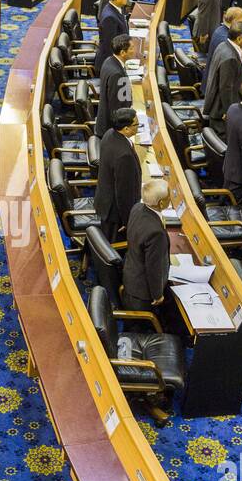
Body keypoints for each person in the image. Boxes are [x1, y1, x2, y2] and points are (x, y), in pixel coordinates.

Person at [121, 179, 171, 310]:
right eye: (169, 195)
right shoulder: (156, 233)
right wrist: (158, 295)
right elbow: (153, 267)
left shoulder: (137, 208)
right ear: (161, 203)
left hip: (131, 273)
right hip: (143, 292)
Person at [96, 108, 142, 241]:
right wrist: (128, 220)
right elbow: (123, 192)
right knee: (115, 245)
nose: (138, 127)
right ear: (126, 129)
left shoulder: (109, 134)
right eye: (136, 125)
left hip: (104, 198)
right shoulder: (124, 156)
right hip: (116, 212)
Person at [203, 20, 242, 135]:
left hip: (218, 104)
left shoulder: (224, 45)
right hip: (220, 113)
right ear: (239, 39)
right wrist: (229, 112)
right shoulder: (230, 58)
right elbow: (225, 88)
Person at [96, 33, 133, 140]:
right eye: (131, 48)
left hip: (105, 118)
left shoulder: (109, 60)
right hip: (111, 129)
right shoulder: (117, 74)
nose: (134, 50)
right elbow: (117, 106)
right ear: (123, 52)